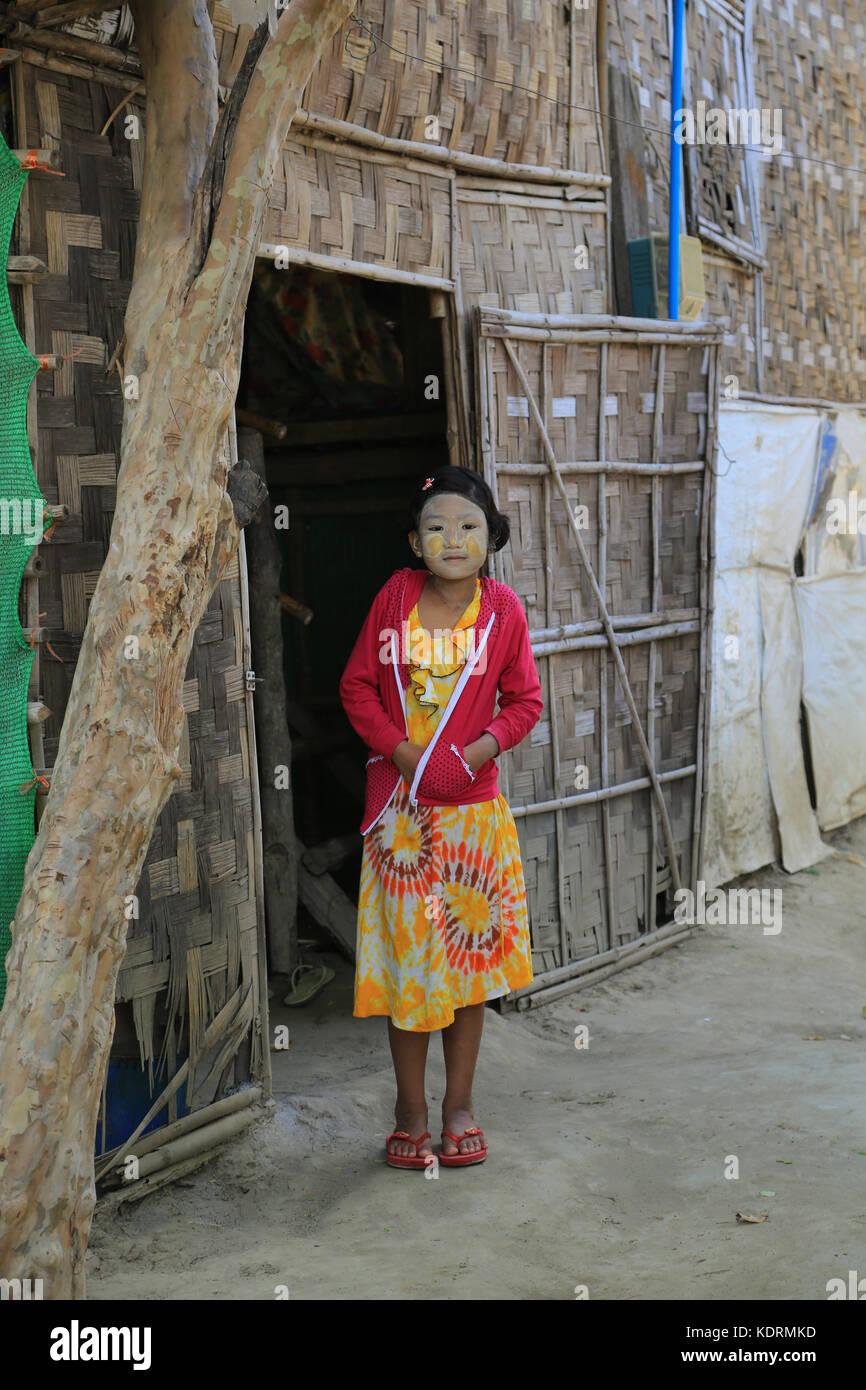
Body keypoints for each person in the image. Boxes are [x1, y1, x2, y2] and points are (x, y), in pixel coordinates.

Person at [339, 466, 543, 1169]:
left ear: (492, 540)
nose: (451, 538)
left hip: (472, 822)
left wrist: (476, 752)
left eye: (468, 526)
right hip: (401, 826)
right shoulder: (394, 599)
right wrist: (400, 752)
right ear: (413, 542)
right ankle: (410, 1110)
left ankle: (459, 1106)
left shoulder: (505, 612)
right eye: (435, 527)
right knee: (409, 970)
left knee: (463, 970)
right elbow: (357, 687)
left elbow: (525, 703)